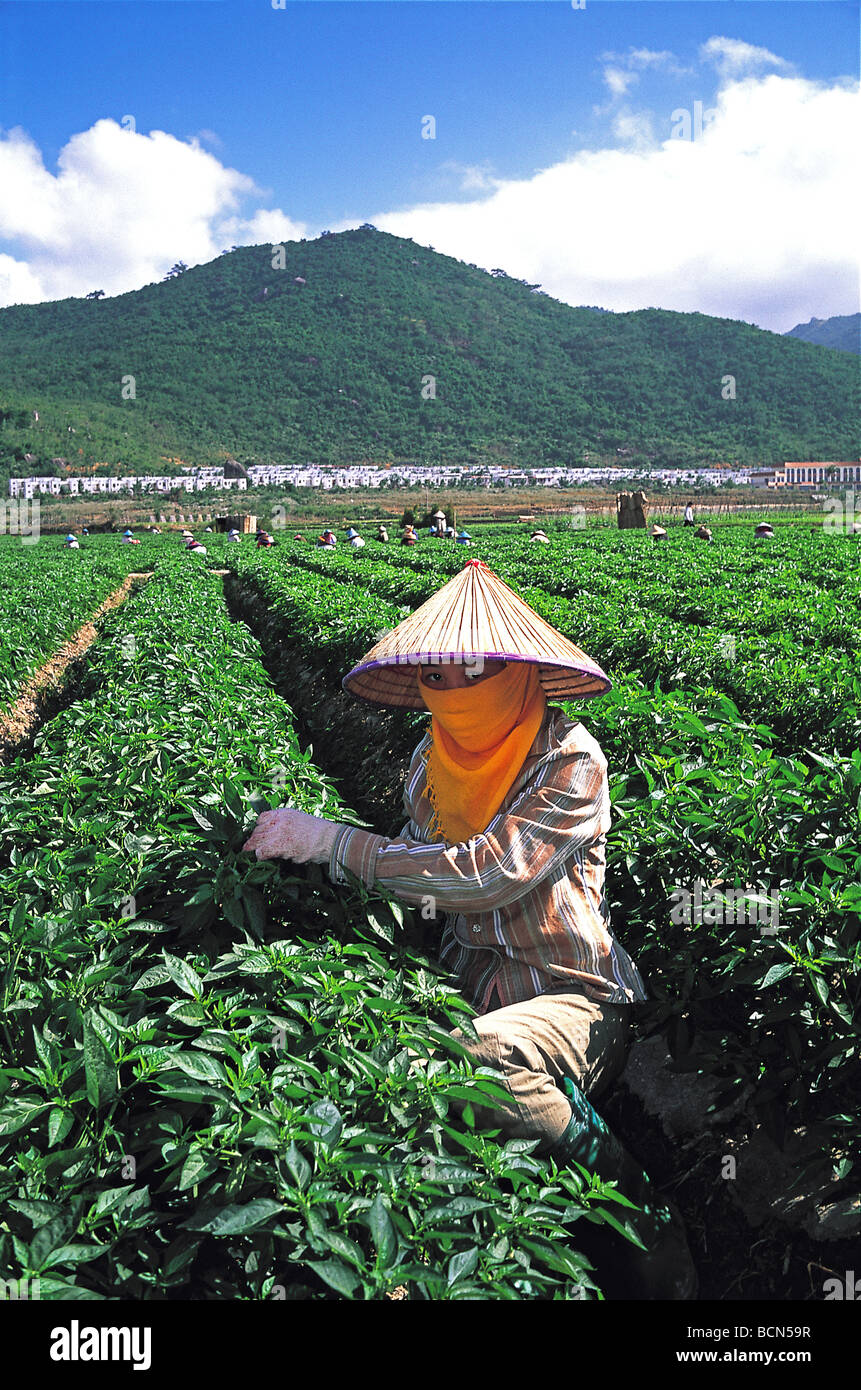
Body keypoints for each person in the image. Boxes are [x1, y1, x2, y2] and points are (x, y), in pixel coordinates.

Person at [243, 559, 697, 1300]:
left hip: (572, 996)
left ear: (519, 670)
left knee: (486, 1057)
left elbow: (486, 873)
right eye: (437, 675)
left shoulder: (568, 758)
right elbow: (416, 864)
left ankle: (648, 1239)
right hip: (468, 985)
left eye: (474, 669)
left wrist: (331, 842)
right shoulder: (431, 759)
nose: (453, 689)